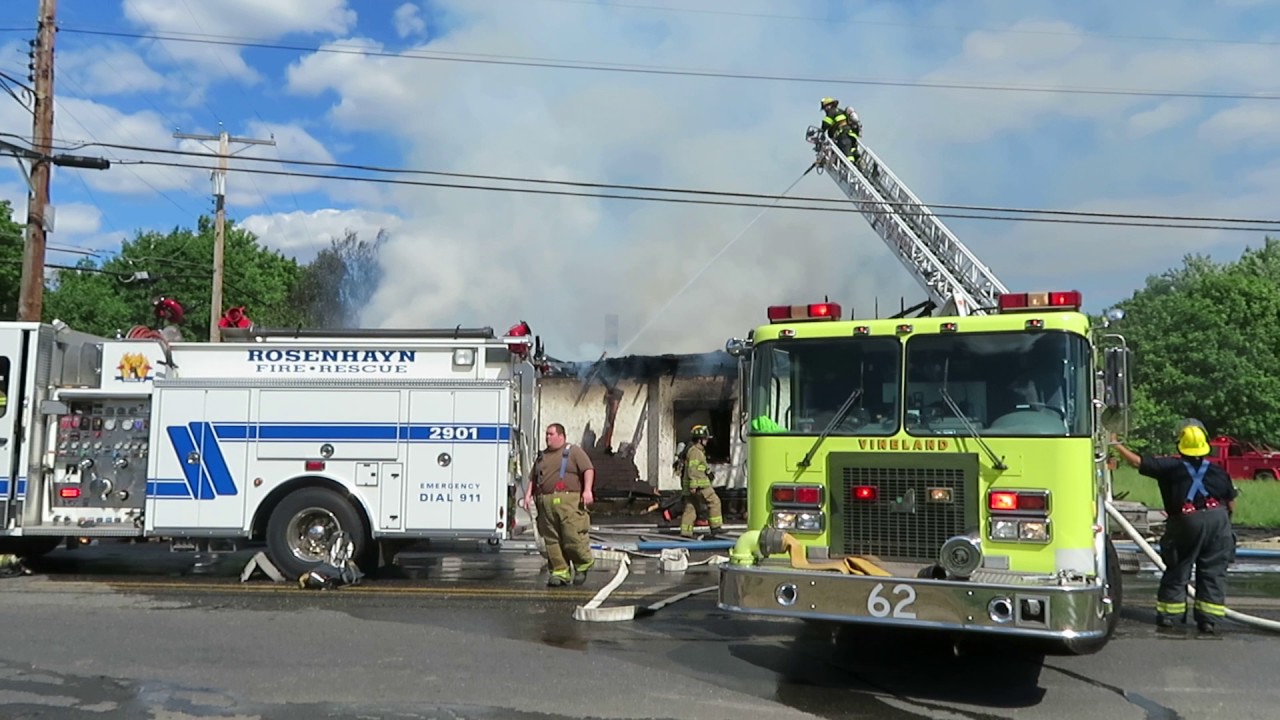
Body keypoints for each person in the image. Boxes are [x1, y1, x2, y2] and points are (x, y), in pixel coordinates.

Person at [1111, 420, 1238, 633]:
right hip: (1219, 521)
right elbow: (1231, 503)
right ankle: (1208, 620)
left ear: (1180, 444)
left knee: (1179, 567)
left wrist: (1115, 444)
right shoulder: (1217, 471)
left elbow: (1137, 462)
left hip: (1187, 522)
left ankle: (1170, 616)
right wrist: (1222, 526)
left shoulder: (1170, 466)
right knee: (1213, 572)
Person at [522, 423, 596, 586]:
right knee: (551, 540)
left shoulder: (573, 451)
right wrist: (528, 496)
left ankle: (582, 564)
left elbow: (588, 470)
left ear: (561, 436)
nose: (547, 437)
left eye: (551, 434)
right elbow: (533, 478)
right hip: (545, 503)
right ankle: (559, 572)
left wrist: (587, 491)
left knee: (572, 535)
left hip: (568, 502)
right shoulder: (542, 456)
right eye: (546, 434)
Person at [679, 425, 724, 540]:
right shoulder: (696, 452)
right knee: (715, 502)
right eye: (705, 439)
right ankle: (716, 527)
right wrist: (694, 485)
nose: (707, 441)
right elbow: (692, 470)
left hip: (693, 486)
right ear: (700, 439)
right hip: (700, 486)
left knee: (691, 507)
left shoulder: (695, 451)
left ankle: (686, 532)